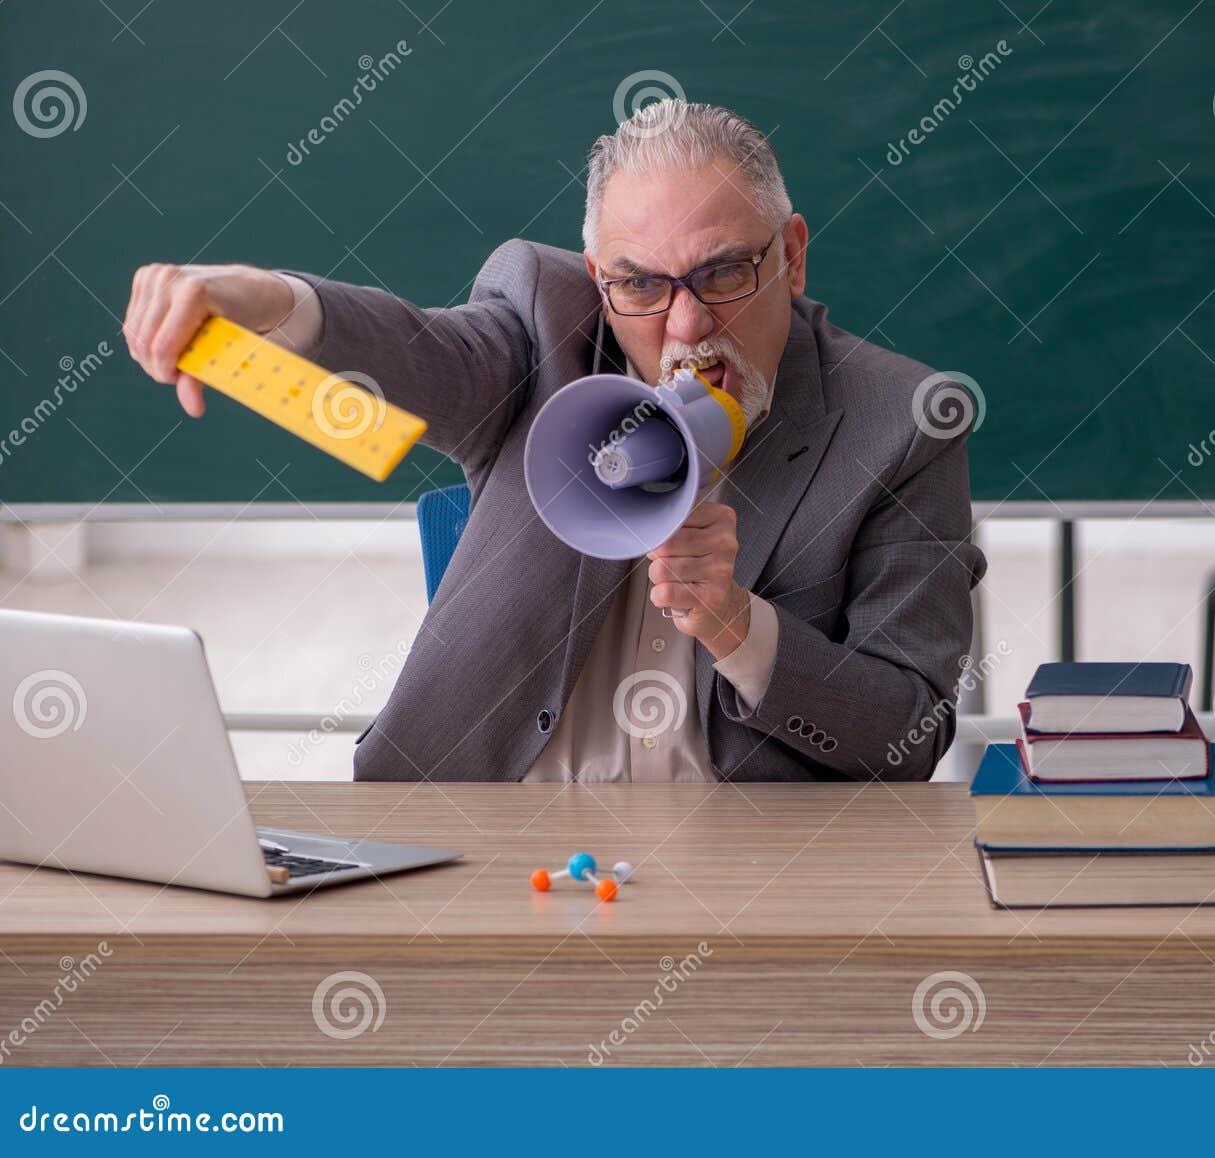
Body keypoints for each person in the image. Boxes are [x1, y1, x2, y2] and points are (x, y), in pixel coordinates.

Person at [121, 100, 986, 783]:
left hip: (741, 867)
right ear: (598, 281)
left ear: (791, 258)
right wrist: (271, 302)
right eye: (639, 284)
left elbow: (906, 738)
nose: (687, 324)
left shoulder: (901, 422)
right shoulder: (547, 328)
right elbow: (421, 356)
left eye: (724, 272)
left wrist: (738, 627)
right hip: (487, 831)